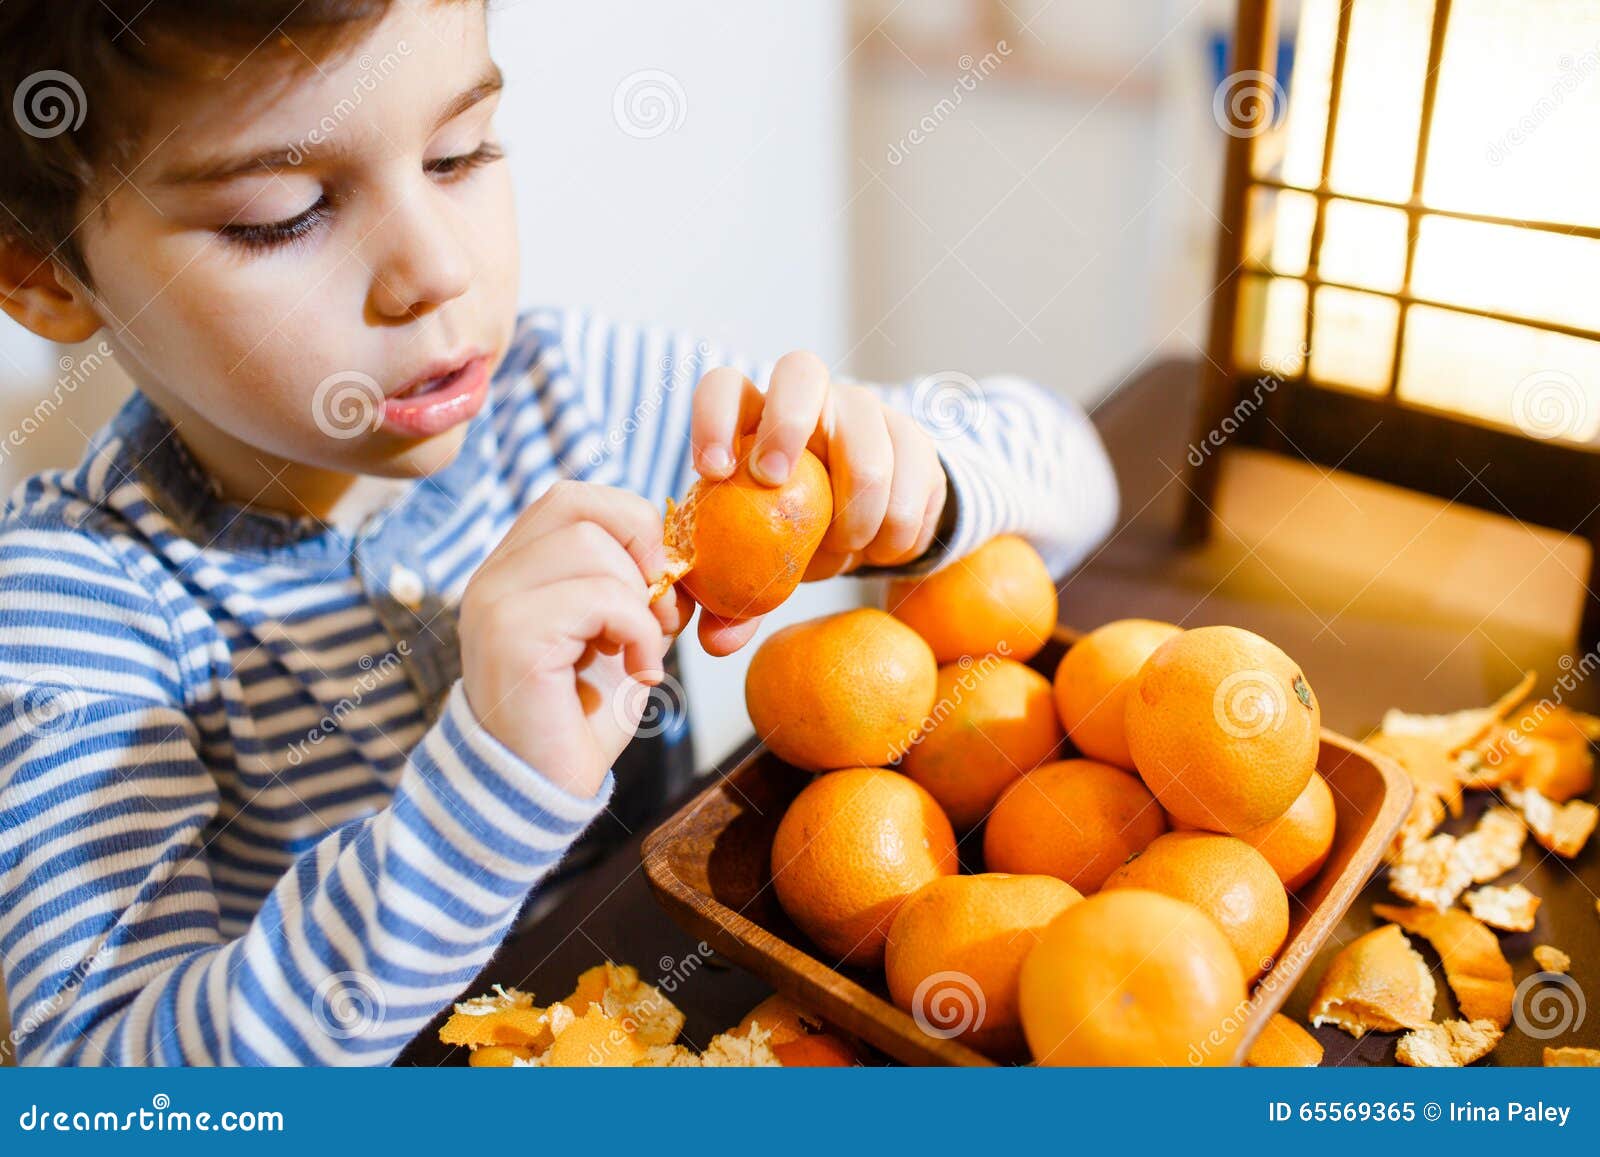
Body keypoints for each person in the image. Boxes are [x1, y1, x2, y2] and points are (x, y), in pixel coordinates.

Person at [0, 0, 1118, 1065]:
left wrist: (917, 484)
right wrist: (483, 790)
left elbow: (1075, 470)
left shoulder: (573, 394)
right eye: (282, 214)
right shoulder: (70, 611)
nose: (437, 271)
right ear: (43, 276)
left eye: (459, 154)